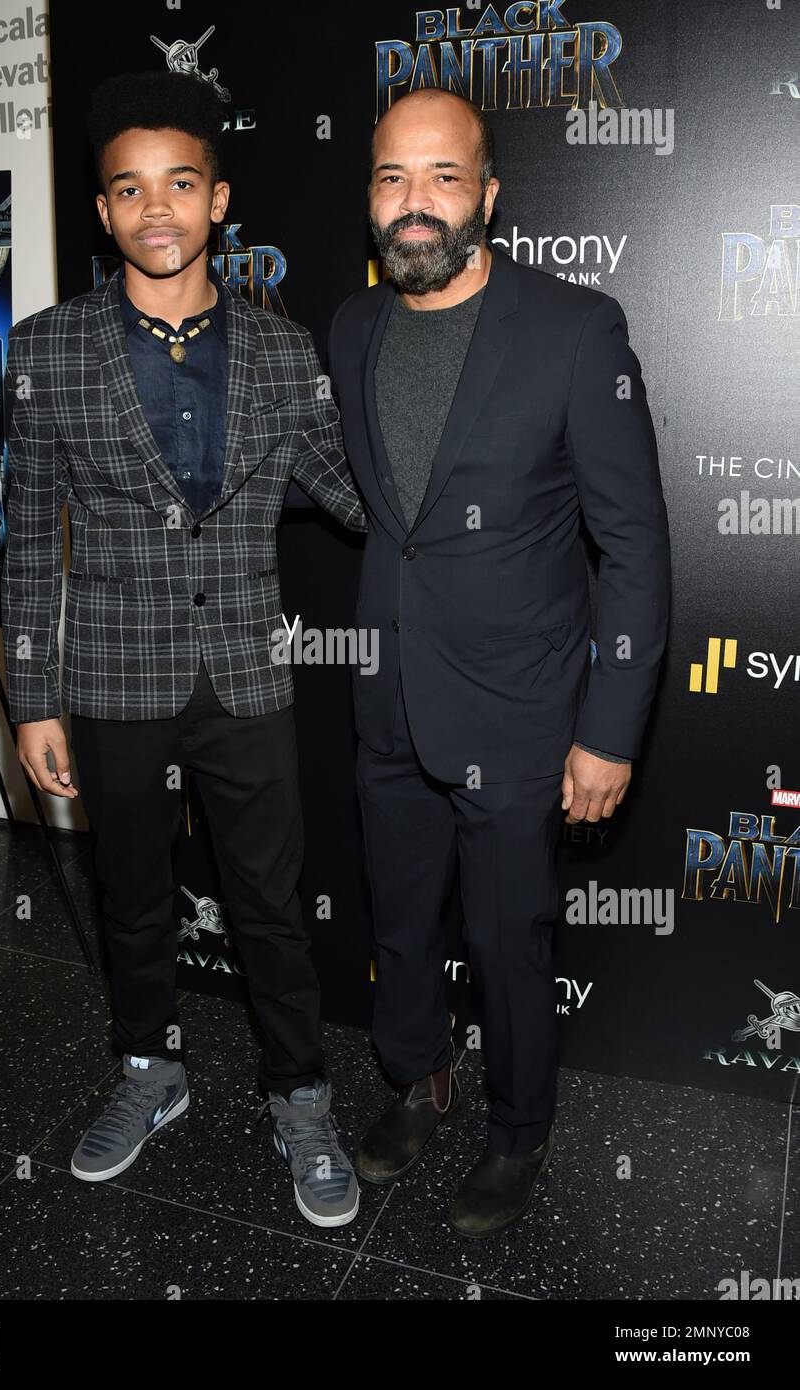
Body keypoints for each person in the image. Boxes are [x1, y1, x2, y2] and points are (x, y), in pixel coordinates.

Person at [1, 69, 367, 1228]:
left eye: (180, 184)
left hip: (250, 675)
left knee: (270, 898)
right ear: (103, 214)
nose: (156, 209)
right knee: (133, 894)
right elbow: (23, 534)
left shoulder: (281, 348)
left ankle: (300, 1095)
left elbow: (356, 496)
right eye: (129, 190)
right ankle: (148, 1073)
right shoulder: (48, 349)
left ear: (219, 200)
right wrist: (31, 695)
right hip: (109, 671)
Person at [328, 89, 671, 1237]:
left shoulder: (576, 330)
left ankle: (518, 1131)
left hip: (526, 714)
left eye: (440, 176)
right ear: (369, 194)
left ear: (488, 194)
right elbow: (394, 517)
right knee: (401, 921)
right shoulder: (353, 326)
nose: (413, 203)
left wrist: (609, 730)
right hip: (388, 694)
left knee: (509, 940)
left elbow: (632, 546)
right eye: (389, 177)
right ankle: (418, 1076)